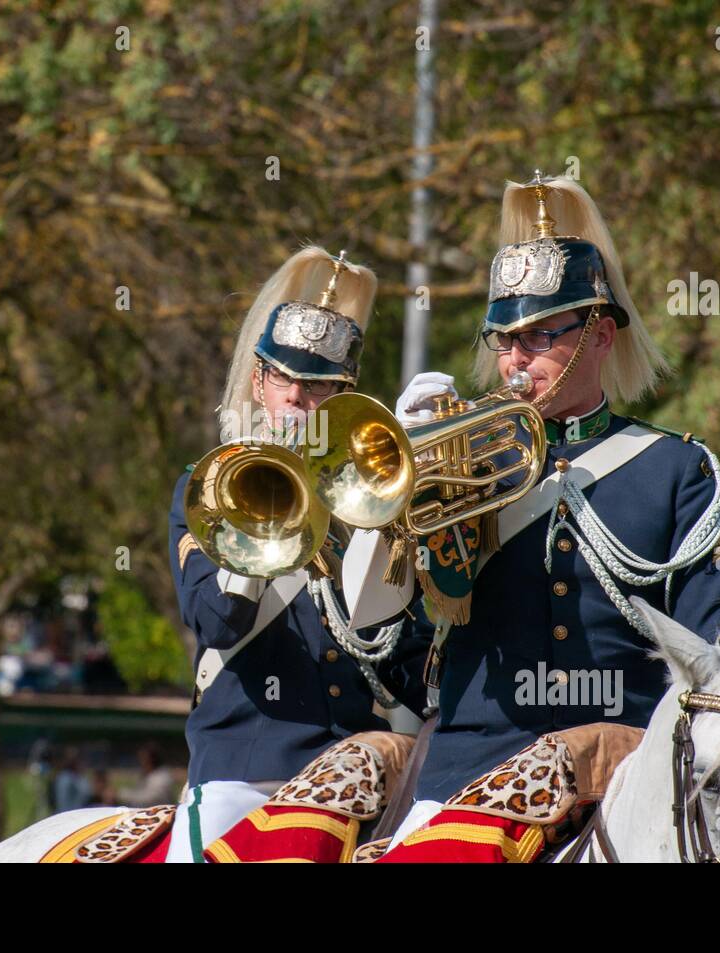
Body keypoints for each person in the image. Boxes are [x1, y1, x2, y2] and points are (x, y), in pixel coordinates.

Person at [363, 174, 720, 860]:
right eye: (504, 337)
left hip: (633, 774)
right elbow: (387, 639)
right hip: (472, 778)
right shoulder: (465, 467)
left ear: (599, 335)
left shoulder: (673, 469)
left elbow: (719, 648)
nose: (514, 359)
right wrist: (392, 494)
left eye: (540, 335)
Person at [163, 247, 433, 862]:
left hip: (363, 771)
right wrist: (257, 515)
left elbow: (404, 658)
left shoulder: (368, 497)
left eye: (318, 387)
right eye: (284, 379)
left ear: (343, 396)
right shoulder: (207, 486)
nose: (297, 401)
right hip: (246, 768)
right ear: (259, 382)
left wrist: (412, 482)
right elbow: (215, 620)